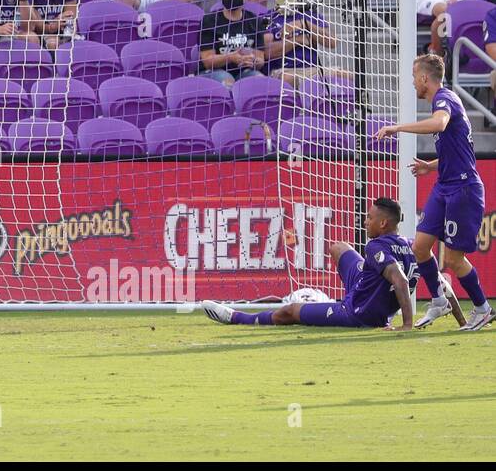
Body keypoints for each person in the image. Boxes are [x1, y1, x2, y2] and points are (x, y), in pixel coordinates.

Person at [375, 54, 493, 332]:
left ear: (425, 78)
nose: (414, 82)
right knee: (420, 247)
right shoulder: (445, 102)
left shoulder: (444, 100)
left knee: (453, 259)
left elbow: (439, 124)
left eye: (415, 76)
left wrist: (398, 127)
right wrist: (430, 165)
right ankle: (439, 300)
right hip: (445, 184)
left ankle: (482, 308)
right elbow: (461, 152)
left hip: (463, 188)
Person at [203, 198, 422, 330]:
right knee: (339, 248)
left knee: (289, 311)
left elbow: (400, 280)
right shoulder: (410, 245)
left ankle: (238, 318)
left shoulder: (375, 246)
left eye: (370, 218)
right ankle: (353, 295)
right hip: (368, 296)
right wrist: (452, 311)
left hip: (358, 314)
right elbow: (436, 279)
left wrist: (407, 324)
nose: (366, 221)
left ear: (383, 223)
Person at [262, 0, 340, 84]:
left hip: (311, 69)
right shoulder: (267, 18)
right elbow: (267, 52)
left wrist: (303, 24)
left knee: (346, 75)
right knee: (288, 79)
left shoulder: (309, 15)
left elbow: (332, 42)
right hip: (283, 71)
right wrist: (299, 40)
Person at [197, 0, 267, 86]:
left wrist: (252, 61)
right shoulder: (209, 21)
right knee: (227, 80)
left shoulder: (253, 20)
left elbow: (260, 59)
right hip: (214, 71)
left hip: (243, 71)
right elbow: (207, 61)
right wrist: (230, 57)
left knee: (260, 80)